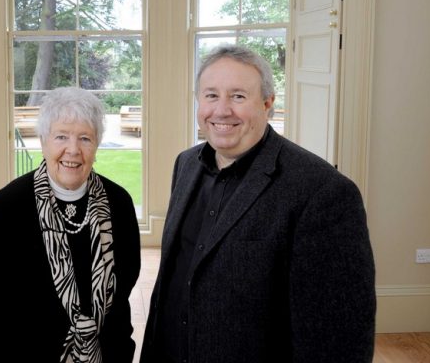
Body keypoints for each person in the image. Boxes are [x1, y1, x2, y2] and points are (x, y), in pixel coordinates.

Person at [141, 44, 376, 363]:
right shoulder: (186, 165)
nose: (222, 110)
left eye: (238, 96)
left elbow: (339, 338)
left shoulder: (322, 192)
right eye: (211, 95)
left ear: (268, 105)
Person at [0, 87, 141, 362]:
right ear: (44, 141)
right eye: (61, 137)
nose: (73, 150)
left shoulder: (119, 201)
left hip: (105, 352)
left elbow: (127, 276)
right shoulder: (7, 205)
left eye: (85, 138)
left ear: (96, 144)